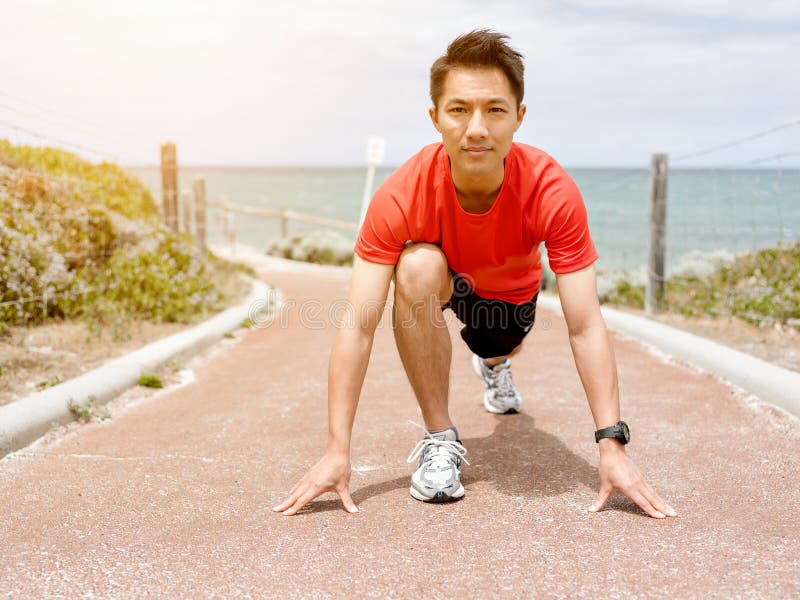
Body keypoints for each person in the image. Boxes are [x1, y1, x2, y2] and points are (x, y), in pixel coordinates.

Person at [274, 29, 677, 518]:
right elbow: (358, 326)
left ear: (518, 118)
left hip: (510, 300)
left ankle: (494, 366)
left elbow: (585, 323)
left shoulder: (552, 190)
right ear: (436, 118)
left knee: (498, 347)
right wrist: (337, 451)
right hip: (446, 283)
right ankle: (440, 438)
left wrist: (612, 446)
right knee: (418, 266)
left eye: (495, 110)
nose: (477, 128)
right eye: (459, 109)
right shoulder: (401, 194)